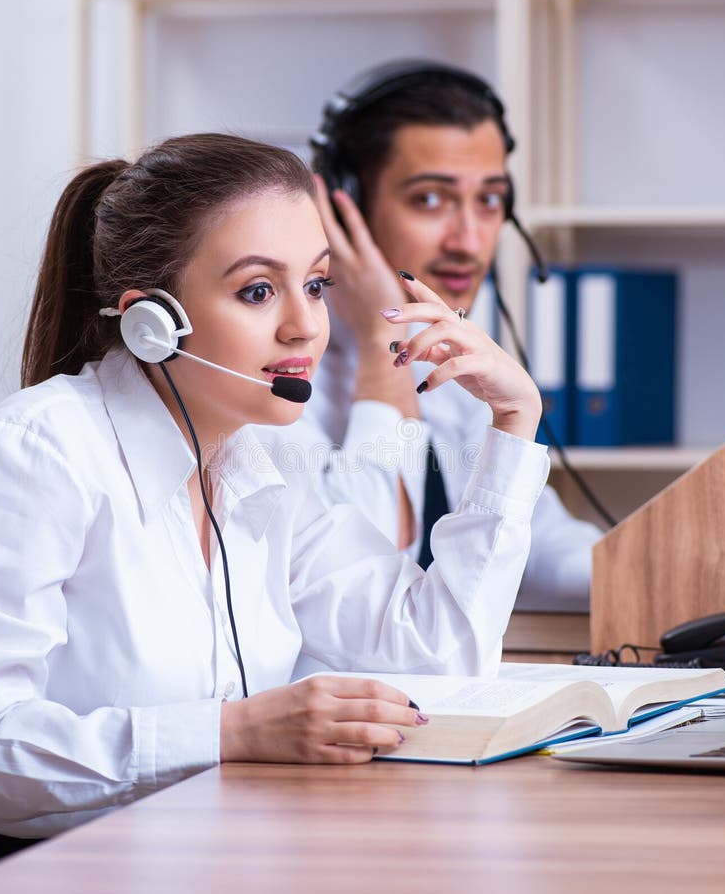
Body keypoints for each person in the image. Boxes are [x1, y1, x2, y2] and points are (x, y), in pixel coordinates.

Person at [0, 132, 548, 847]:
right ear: (152, 324)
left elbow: (435, 654)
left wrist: (514, 425)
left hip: (222, 855)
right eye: (258, 290)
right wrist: (233, 730)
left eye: (317, 284)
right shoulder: (38, 453)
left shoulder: (267, 457)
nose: (304, 324)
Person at [257, 60, 601, 612]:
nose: (468, 240)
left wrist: (682, 578)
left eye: (488, 200)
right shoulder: (273, 371)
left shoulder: (448, 360)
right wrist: (379, 338)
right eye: (431, 200)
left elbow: (543, 548)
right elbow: (361, 580)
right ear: (346, 208)